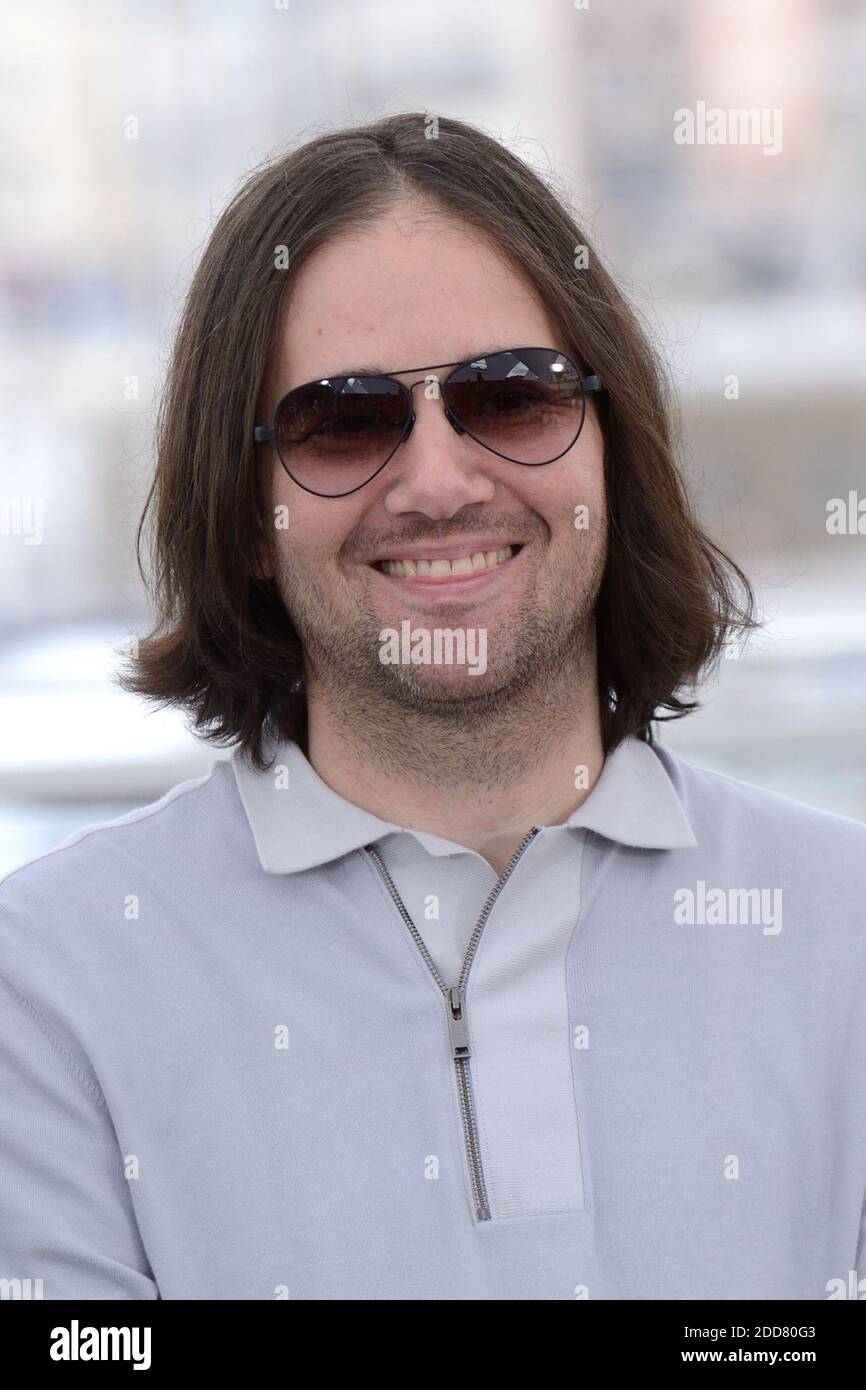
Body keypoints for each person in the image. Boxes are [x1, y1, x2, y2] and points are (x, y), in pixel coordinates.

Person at [1, 112, 864, 1302]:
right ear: (245, 511)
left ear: (607, 451)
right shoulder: (45, 984)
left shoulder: (843, 932)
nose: (440, 479)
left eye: (509, 396)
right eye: (343, 420)